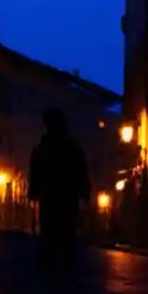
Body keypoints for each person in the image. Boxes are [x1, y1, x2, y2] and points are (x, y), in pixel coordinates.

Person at [29, 108, 91, 269]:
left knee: (51, 232)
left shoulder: (41, 149)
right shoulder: (72, 148)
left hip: (51, 196)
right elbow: (81, 171)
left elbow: (35, 173)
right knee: (65, 232)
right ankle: (63, 263)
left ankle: (51, 263)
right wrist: (84, 192)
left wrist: (34, 192)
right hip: (67, 196)